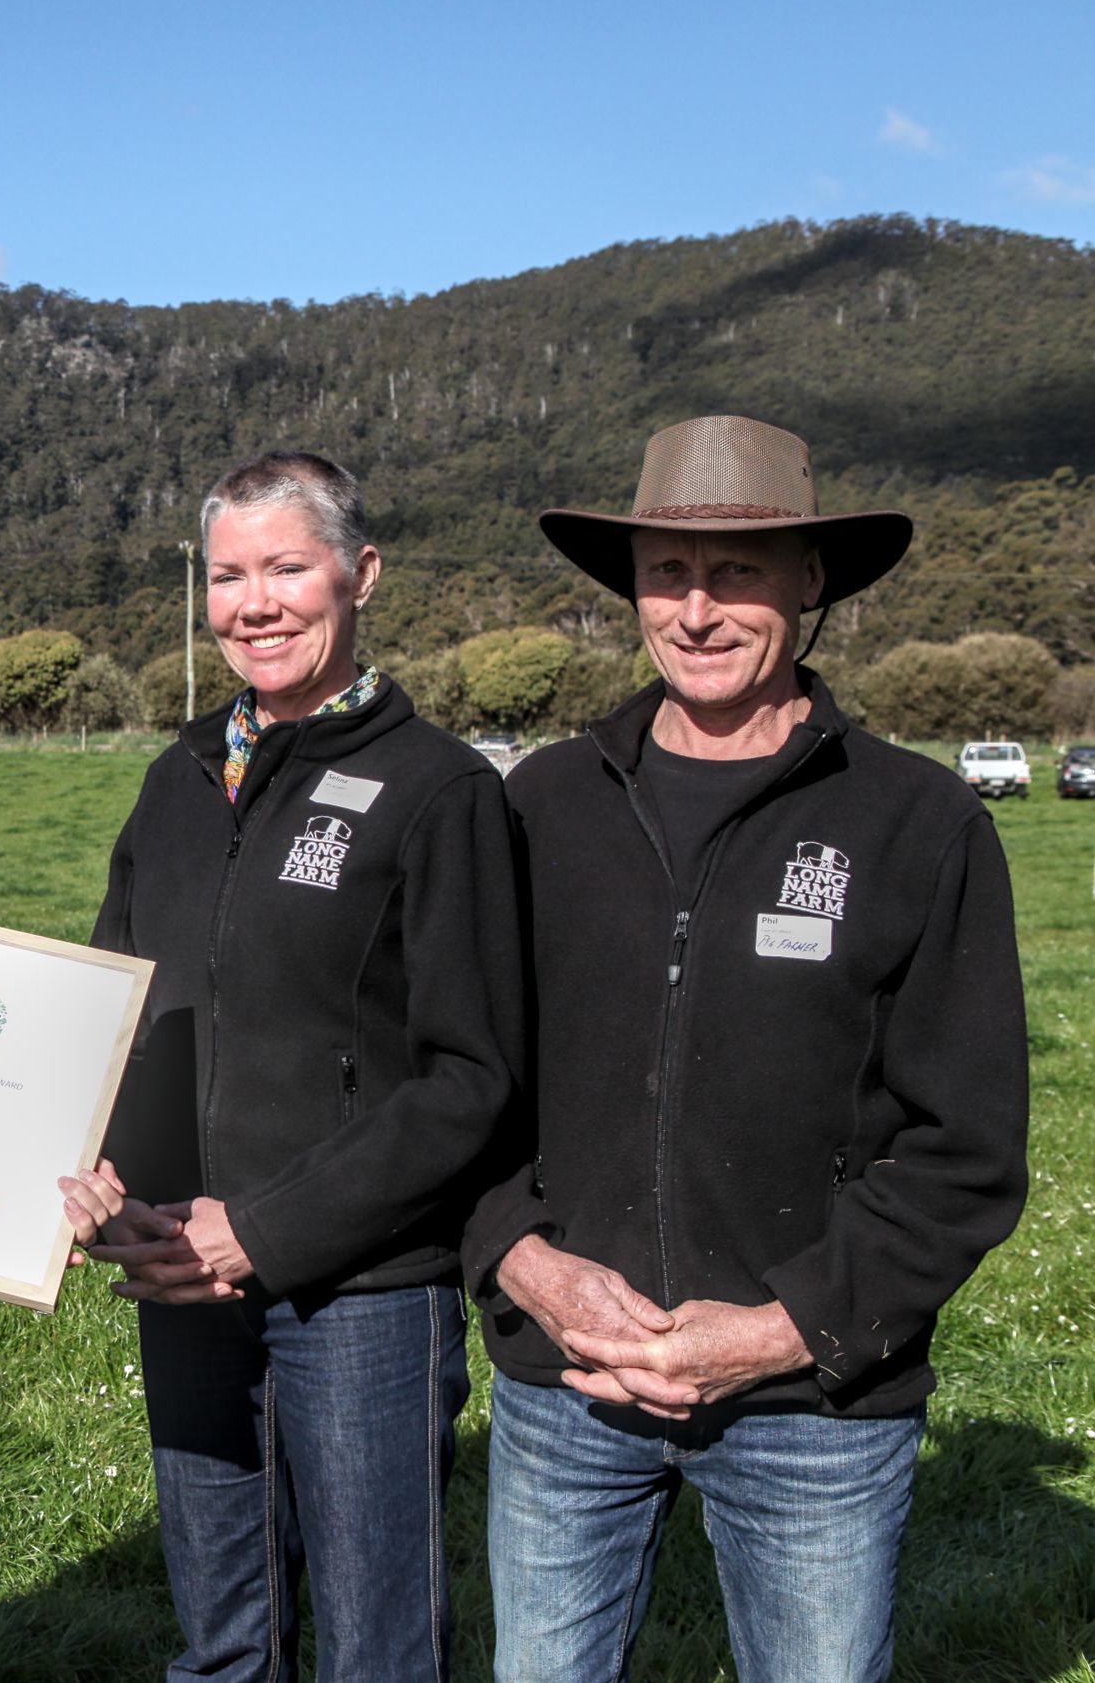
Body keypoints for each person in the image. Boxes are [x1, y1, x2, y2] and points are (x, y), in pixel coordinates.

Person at [465, 414, 1029, 1682]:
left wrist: (782, 1329)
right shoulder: (537, 805)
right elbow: (463, 1082)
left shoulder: (916, 822)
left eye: (739, 574)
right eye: (667, 573)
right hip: (568, 1387)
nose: (698, 610)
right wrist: (531, 1271)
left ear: (810, 583)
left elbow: (968, 1153)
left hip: (815, 1408)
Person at [63, 451, 525, 1682]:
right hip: (178, 1273)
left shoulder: (439, 791)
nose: (252, 603)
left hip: (364, 1293)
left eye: (285, 567)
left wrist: (260, 1230)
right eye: (226, 575)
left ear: (359, 575)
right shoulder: (173, 782)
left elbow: (470, 1077)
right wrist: (81, 1178)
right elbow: (107, 1017)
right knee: (222, 1641)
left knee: (377, 1650)